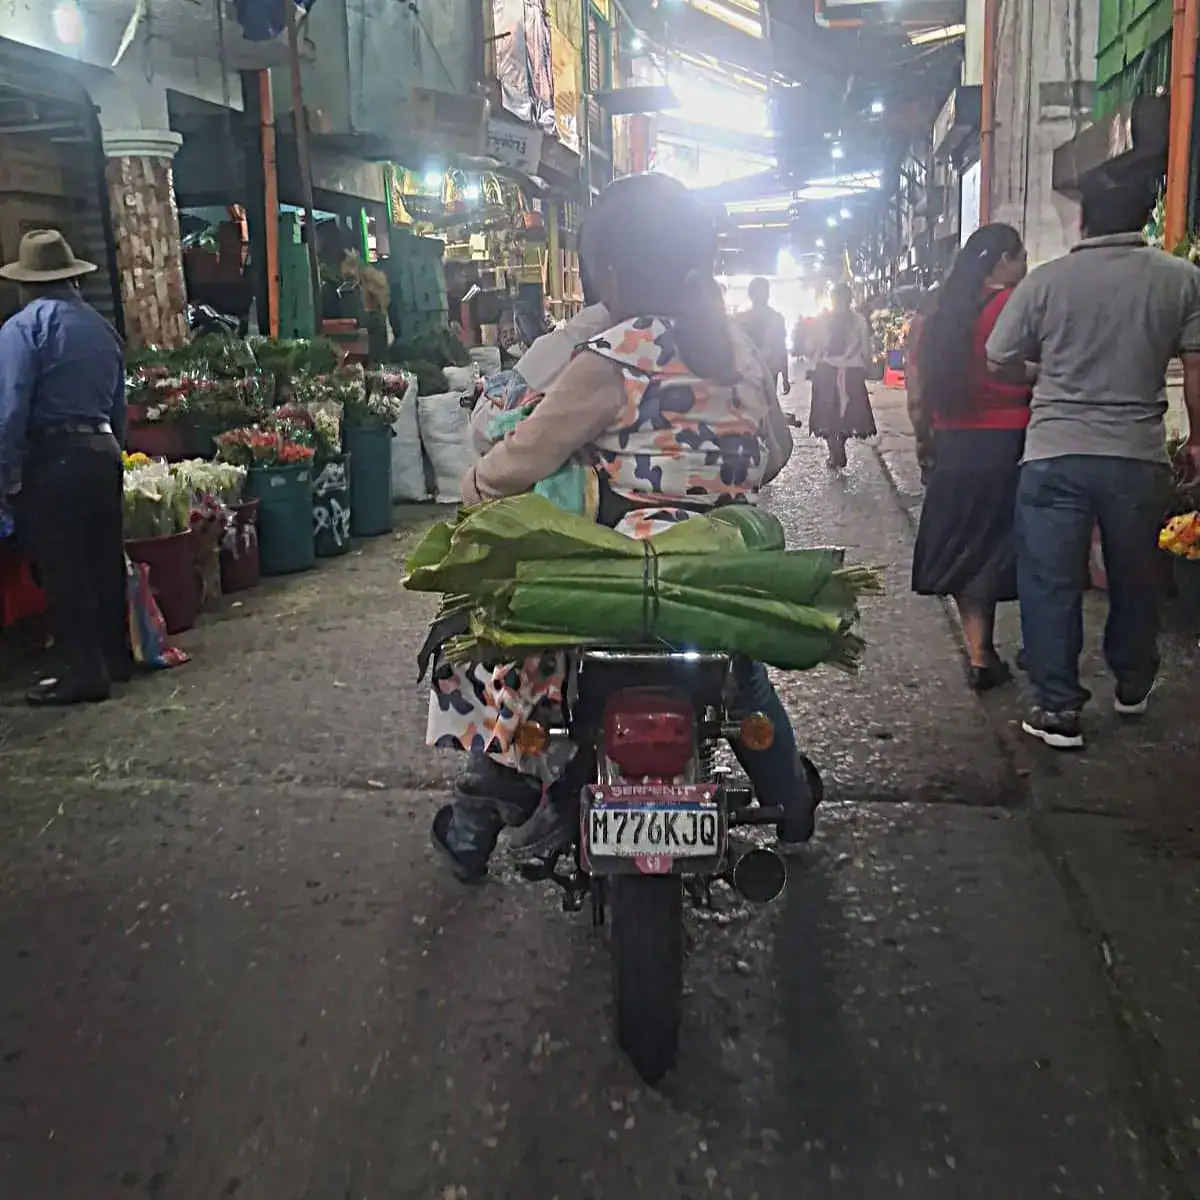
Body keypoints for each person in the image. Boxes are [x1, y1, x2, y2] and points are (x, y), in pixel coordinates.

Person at [426, 173, 814, 883]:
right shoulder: (737, 349)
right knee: (744, 678)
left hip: (627, 561)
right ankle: (791, 801)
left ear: (609, 269)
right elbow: (777, 451)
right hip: (727, 560)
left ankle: (499, 785)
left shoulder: (613, 354)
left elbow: (525, 452)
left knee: (490, 633)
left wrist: (475, 489)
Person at [987, 177, 1200, 750]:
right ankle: (1132, 684)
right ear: (1145, 216)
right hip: (1136, 455)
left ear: (1082, 224)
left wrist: (1039, 377)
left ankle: (1057, 708)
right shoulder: (1181, 279)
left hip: (1054, 453)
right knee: (1136, 577)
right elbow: (1197, 368)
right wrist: (1198, 441)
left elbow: (998, 356)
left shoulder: (1047, 281)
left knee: (1051, 580)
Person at [0, 229, 129, 705]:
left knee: (64, 567)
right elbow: (119, 405)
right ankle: (117, 658)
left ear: (27, 283)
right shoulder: (100, 328)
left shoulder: (22, 330)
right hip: (103, 452)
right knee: (103, 561)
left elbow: (10, 409)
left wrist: (5, 476)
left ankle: (84, 673)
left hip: (54, 460)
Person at [911, 224, 1031, 691]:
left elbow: (918, 392)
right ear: (1001, 259)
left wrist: (925, 440)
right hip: (1012, 442)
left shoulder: (938, 312)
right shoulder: (1013, 306)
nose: (1025, 266)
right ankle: (1034, 650)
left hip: (954, 444)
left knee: (966, 546)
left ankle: (980, 654)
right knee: (1014, 545)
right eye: (1021, 256)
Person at [808, 283, 876, 468]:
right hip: (852, 375)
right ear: (850, 299)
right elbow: (866, 350)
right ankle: (840, 447)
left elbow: (811, 346)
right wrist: (866, 365)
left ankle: (834, 452)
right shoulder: (859, 320)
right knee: (848, 416)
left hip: (826, 373)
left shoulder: (822, 320)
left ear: (832, 300)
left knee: (827, 416)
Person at [738, 276, 790, 398]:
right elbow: (781, 349)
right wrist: (785, 376)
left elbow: (781, 348)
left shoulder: (742, 320)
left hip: (754, 373)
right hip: (761, 372)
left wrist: (785, 376)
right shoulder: (775, 318)